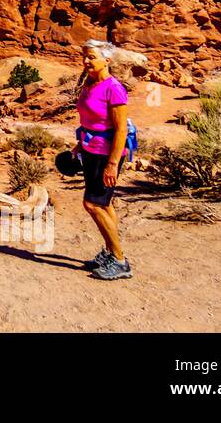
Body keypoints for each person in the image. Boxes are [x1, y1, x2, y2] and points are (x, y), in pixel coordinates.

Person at [75, 40, 133, 280]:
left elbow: (120, 130)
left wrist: (112, 164)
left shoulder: (114, 88)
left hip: (105, 154)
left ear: (107, 60)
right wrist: (80, 144)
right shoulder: (88, 83)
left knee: (93, 204)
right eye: (85, 56)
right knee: (105, 203)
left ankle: (120, 261)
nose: (87, 61)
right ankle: (111, 252)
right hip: (90, 150)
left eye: (92, 57)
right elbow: (90, 119)